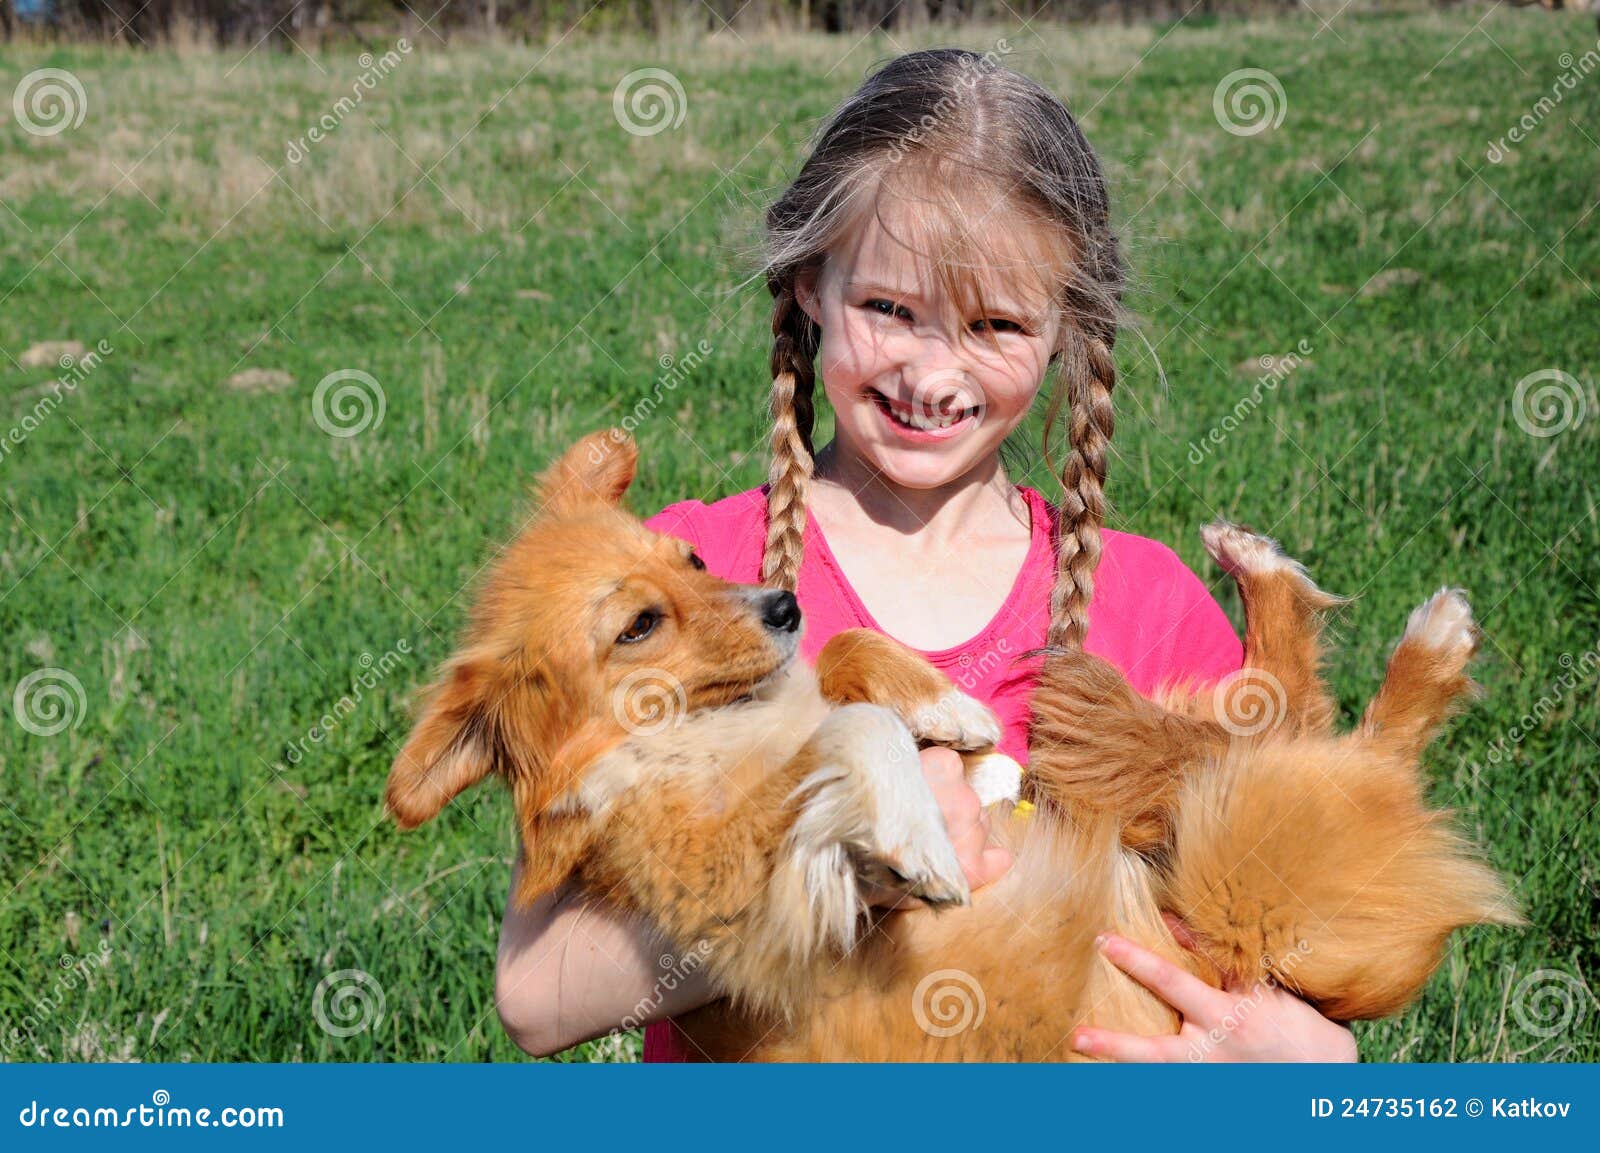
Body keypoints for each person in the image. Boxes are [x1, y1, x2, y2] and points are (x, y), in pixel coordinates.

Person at [495, 47, 1357, 1063]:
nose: (932, 372)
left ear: (1065, 331)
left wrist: (1289, 1064)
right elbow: (537, 997)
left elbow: (1301, 955)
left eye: (994, 324)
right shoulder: (692, 587)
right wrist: (822, 865)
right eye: (889, 310)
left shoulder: (1147, 607)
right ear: (809, 284)